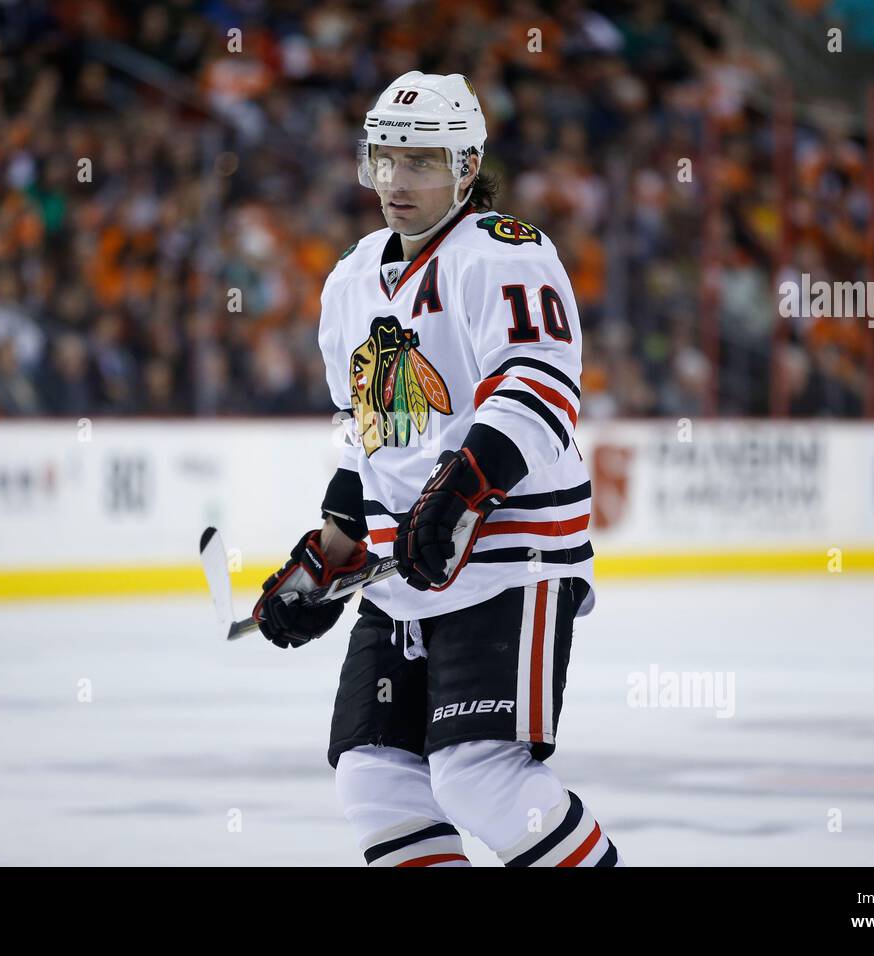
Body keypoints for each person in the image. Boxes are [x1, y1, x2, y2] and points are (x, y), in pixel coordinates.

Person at [253, 71, 621, 868]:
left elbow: (539, 383)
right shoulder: (351, 277)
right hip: (404, 572)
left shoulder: (502, 251)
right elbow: (367, 438)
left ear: (466, 166)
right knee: (374, 780)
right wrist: (330, 551)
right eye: (383, 159)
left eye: (419, 162)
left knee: (479, 776)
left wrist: (459, 494)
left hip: (505, 558)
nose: (395, 181)